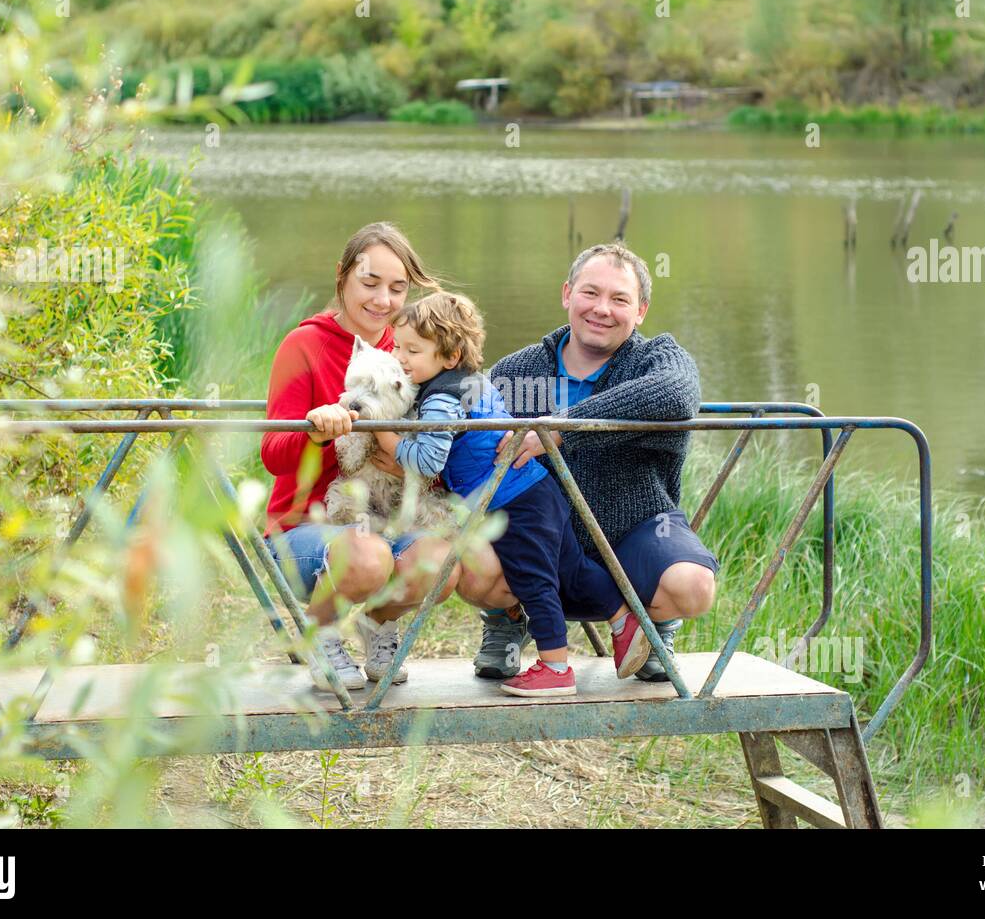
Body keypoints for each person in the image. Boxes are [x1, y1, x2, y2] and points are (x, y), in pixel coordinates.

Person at [457, 242, 719, 682]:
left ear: (641, 311)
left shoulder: (657, 358)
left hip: (637, 525)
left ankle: (650, 623)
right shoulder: (519, 372)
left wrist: (563, 426)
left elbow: (675, 394)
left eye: (619, 299)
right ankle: (508, 617)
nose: (602, 309)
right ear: (566, 295)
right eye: (590, 293)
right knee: (468, 564)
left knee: (692, 586)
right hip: (537, 534)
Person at [371, 291, 650, 697]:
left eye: (413, 349)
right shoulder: (472, 382)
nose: (400, 357)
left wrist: (382, 435)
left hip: (511, 502)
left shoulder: (442, 398)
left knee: (532, 578)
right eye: (397, 346)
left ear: (449, 357)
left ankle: (555, 668)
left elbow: (428, 460)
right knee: (568, 568)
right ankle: (626, 622)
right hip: (538, 489)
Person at [260, 221, 458, 692]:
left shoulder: (409, 350)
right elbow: (272, 456)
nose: (383, 300)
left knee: (443, 564)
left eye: (397, 288)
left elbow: (441, 429)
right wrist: (316, 433)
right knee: (369, 557)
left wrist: (405, 458)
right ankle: (320, 630)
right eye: (369, 283)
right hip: (303, 527)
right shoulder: (303, 345)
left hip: (386, 514)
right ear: (342, 277)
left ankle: (377, 622)